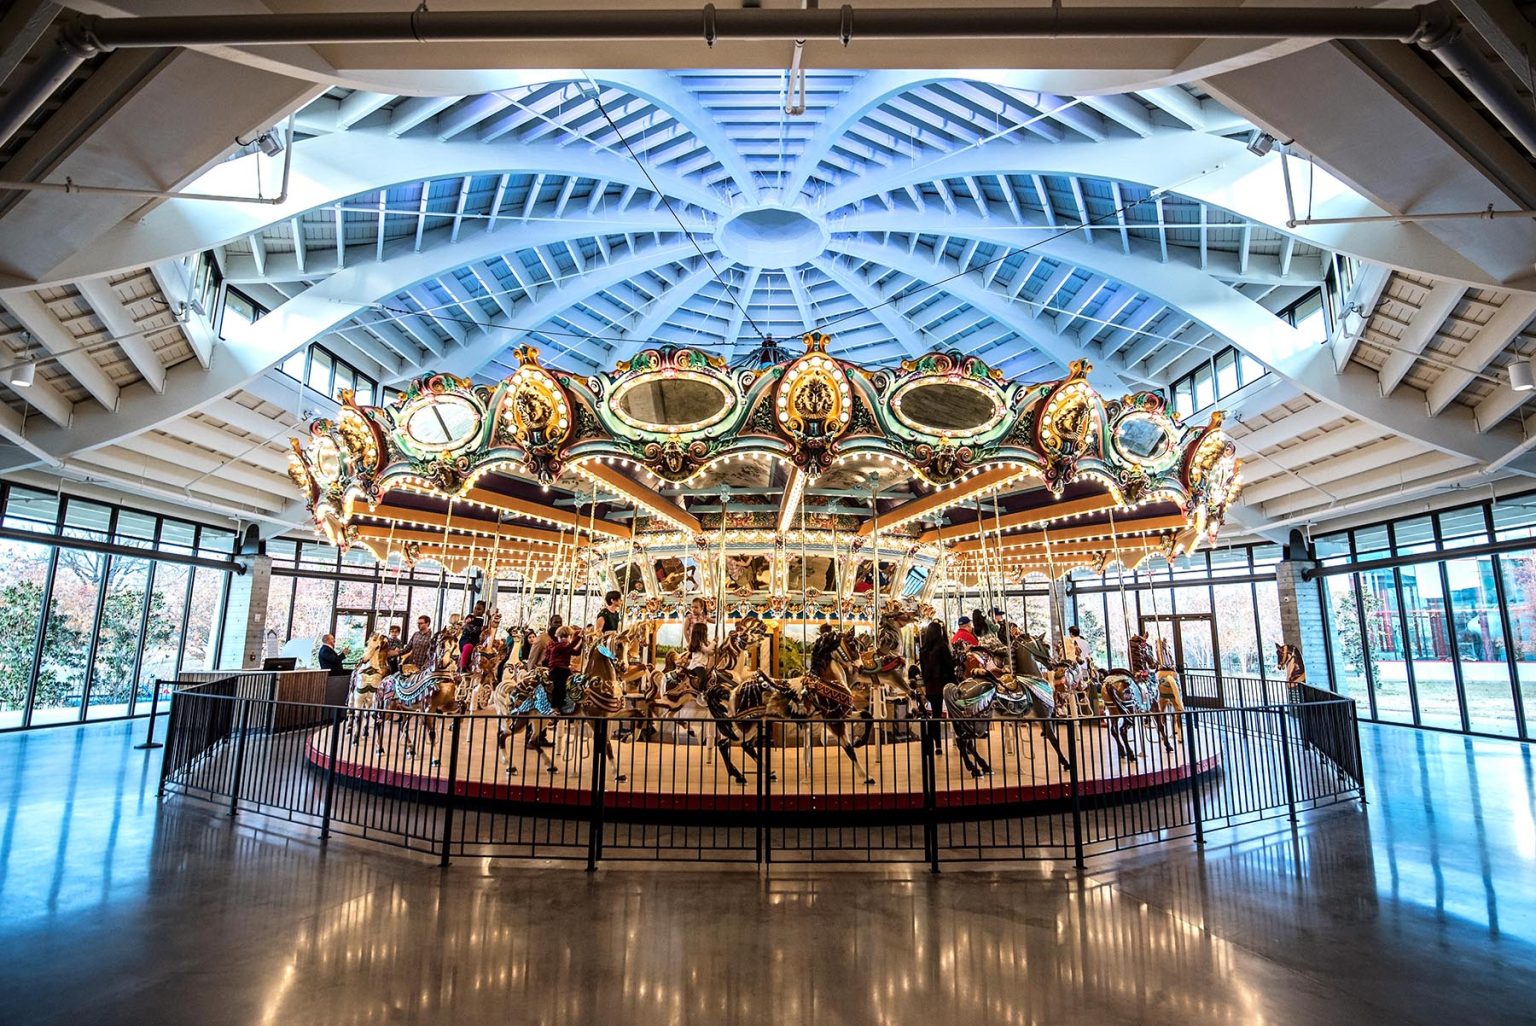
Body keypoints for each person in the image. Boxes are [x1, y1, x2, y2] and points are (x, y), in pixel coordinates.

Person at [919, 619, 957, 721]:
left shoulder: (923, 650)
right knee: (952, 710)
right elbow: (949, 665)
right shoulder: (942, 647)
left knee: (936, 713)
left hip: (931, 684)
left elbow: (923, 668)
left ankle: (935, 735)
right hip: (943, 682)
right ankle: (957, 733)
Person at [545, 625, 583, 710]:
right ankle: (555, 706)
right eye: (561, 637)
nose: (563, 639)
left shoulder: (566, 647)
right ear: (558, 637)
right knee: (559, 686)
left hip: (564, 669)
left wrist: (582, 642)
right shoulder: (558, 647)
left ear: (570, 637)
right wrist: (579, 637)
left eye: (566, 636)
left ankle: (571, 701)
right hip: (556, 669)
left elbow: (576, 652)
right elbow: (570, 647)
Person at [685, 620, 713, 691]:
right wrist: (714, 642)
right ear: (701, 633)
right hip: (697, 665)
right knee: (704, 678)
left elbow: (710, 652)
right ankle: (701, 693)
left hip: (702, 665)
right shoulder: (699, 644)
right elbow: (707, 650)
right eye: (705, 631)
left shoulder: (703, 643)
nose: (707, 633)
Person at [459, 601, 486, 670]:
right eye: (475, 608)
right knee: (468, 647)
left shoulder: (485, 620)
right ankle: (463, 667)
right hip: (467, 640)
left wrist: (489, 616)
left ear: (484, 611)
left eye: (479, 609)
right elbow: (468, 627)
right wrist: (480, 628)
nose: (476, 610)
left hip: (477, 641)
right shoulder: (470, 617)